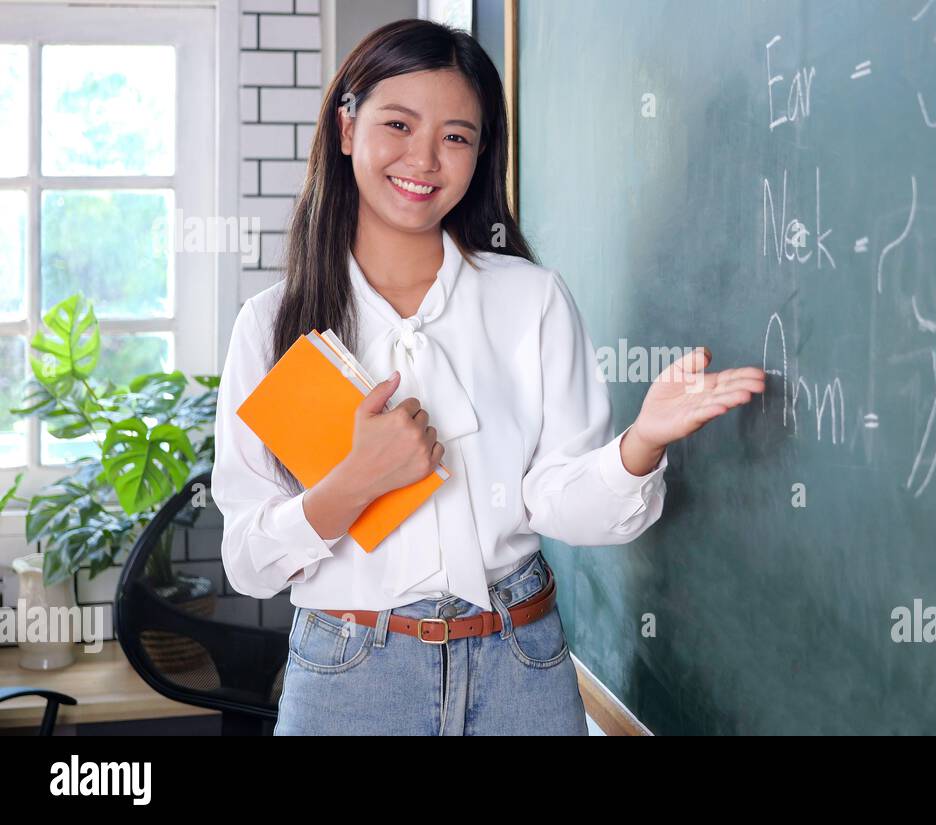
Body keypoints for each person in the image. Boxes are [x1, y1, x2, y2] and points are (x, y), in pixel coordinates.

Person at [211, 18, 764, 735]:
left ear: (480, 155)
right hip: (351, 675)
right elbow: (249, 563)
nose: (425, 159)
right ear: (347, 128)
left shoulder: (530, 298)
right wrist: (356, 480)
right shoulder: (271, 326)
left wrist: (642, 443)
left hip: (520, 665)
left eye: (456, 137)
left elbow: (559, 504)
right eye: (399, 125)